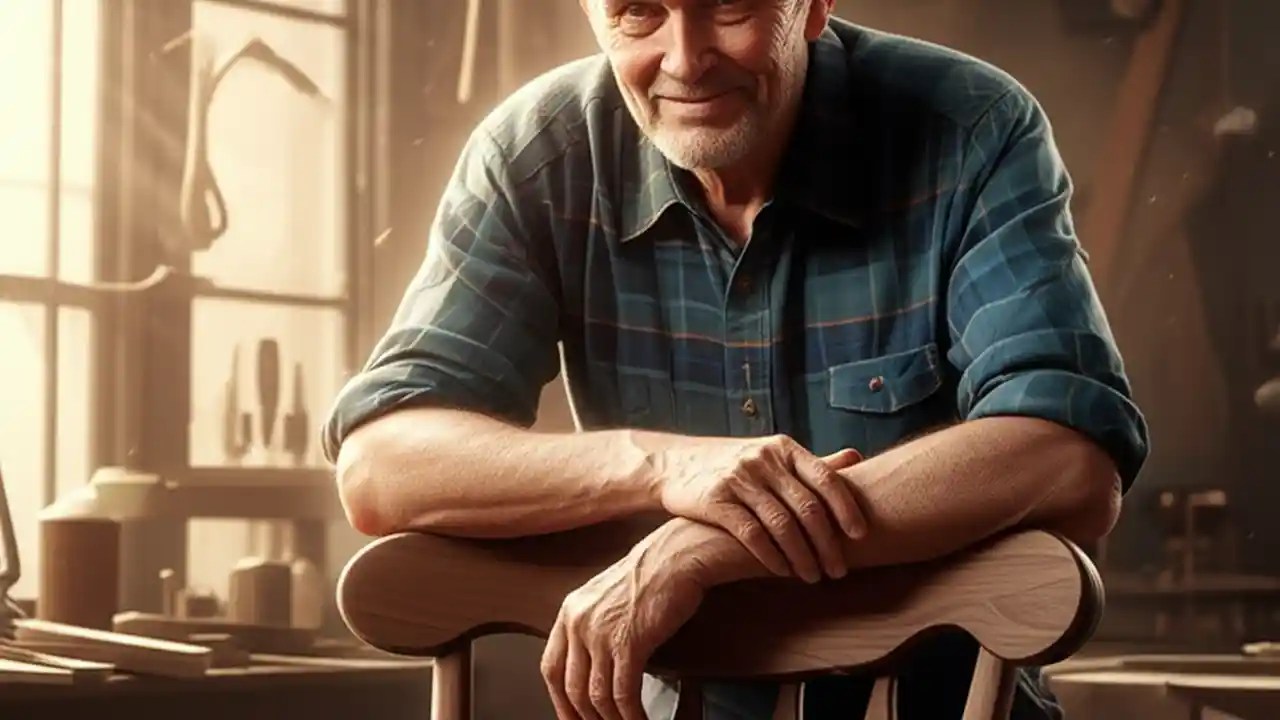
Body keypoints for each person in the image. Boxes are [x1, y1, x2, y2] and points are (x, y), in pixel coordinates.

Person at [322, 1, 1149, 718]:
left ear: (814, 5)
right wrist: (658, 466)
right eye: (638, 10)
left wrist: (700, 549)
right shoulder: (537, 154)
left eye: (729, 6)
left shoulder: (972, 124)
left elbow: (1069, 458)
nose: (684, 60)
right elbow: (381, 467)